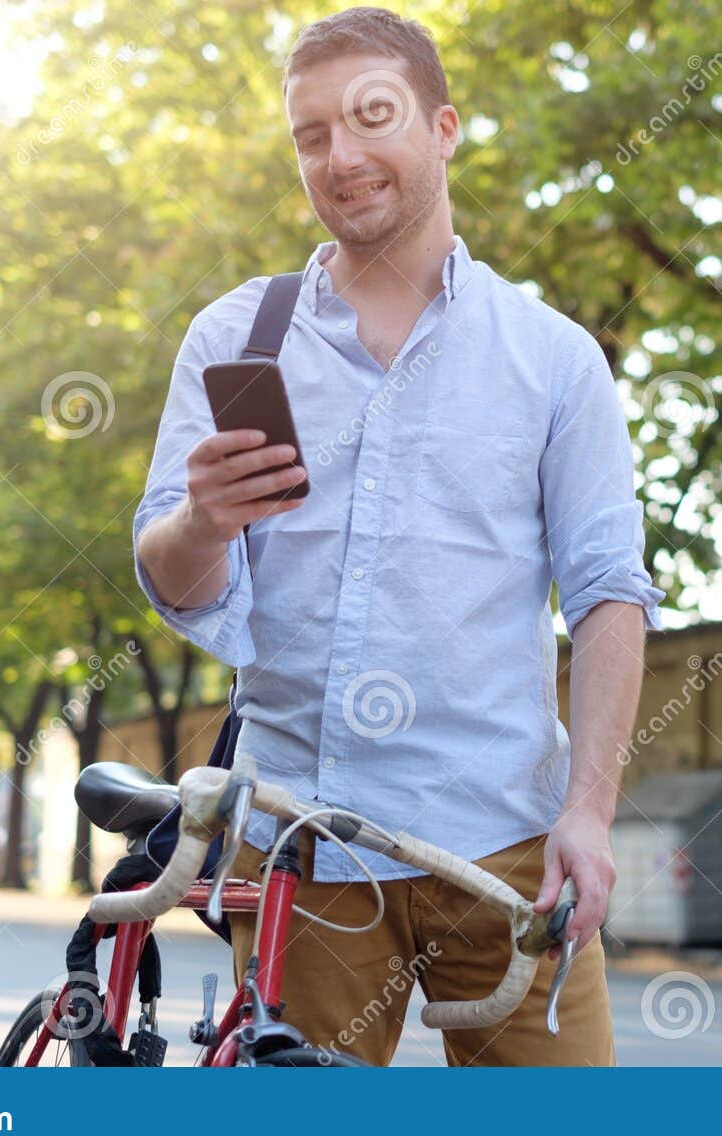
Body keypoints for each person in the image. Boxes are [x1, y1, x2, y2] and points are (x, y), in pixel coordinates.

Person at [132, 5, 662, 1066]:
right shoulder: (240, 336)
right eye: (311, 134)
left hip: (507, 848)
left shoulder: (550, 357)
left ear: (443, 127)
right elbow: (171, 573)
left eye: (372, 117)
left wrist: (590, 814)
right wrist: (204, 519)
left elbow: (609, 590)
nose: (342, 155)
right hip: (301, 846)